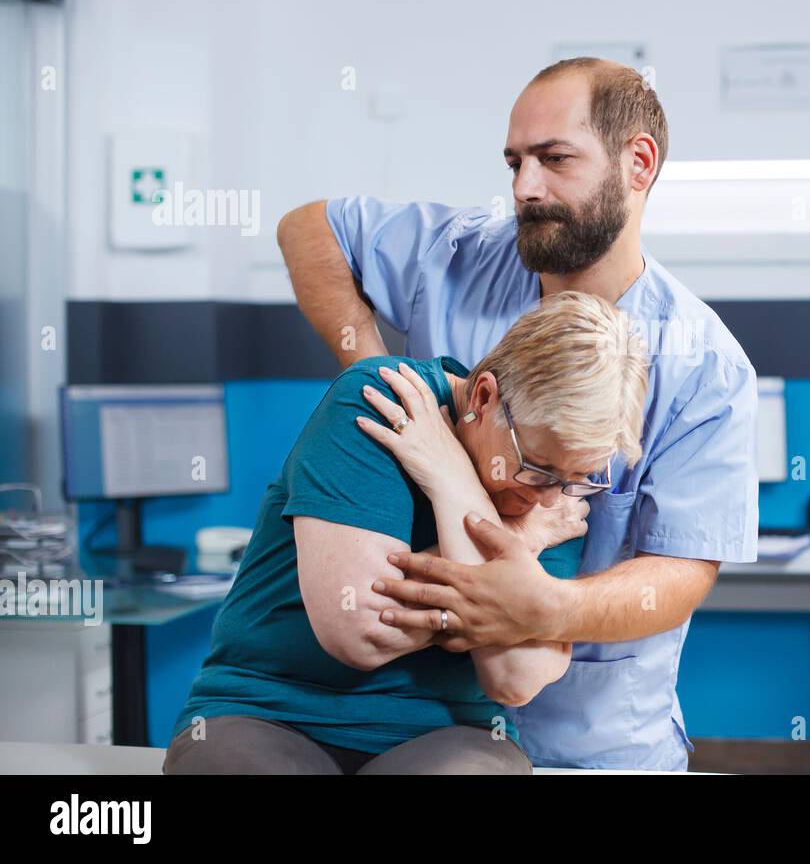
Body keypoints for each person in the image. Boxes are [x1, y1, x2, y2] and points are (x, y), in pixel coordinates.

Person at [276, 56, 759, 771]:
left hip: (589, 742)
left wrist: (545, 607)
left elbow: (680, 571)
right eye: (514, 162)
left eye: (554, 159)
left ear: (639, 163)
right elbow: (308, 227)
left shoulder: (703, 368)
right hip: (421, 732)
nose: (524, 188)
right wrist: (377, 373)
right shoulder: (460, 254)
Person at [164, 291, 648, 773]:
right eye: (535, 469)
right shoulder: (384, 400)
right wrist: (516, 544)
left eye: (577, 479)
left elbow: (517, 675)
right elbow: (362, 632)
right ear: (483, 396)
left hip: (451, 734)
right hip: (267, 712)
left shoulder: (559, 485)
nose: (548, 499)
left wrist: (452, 481)